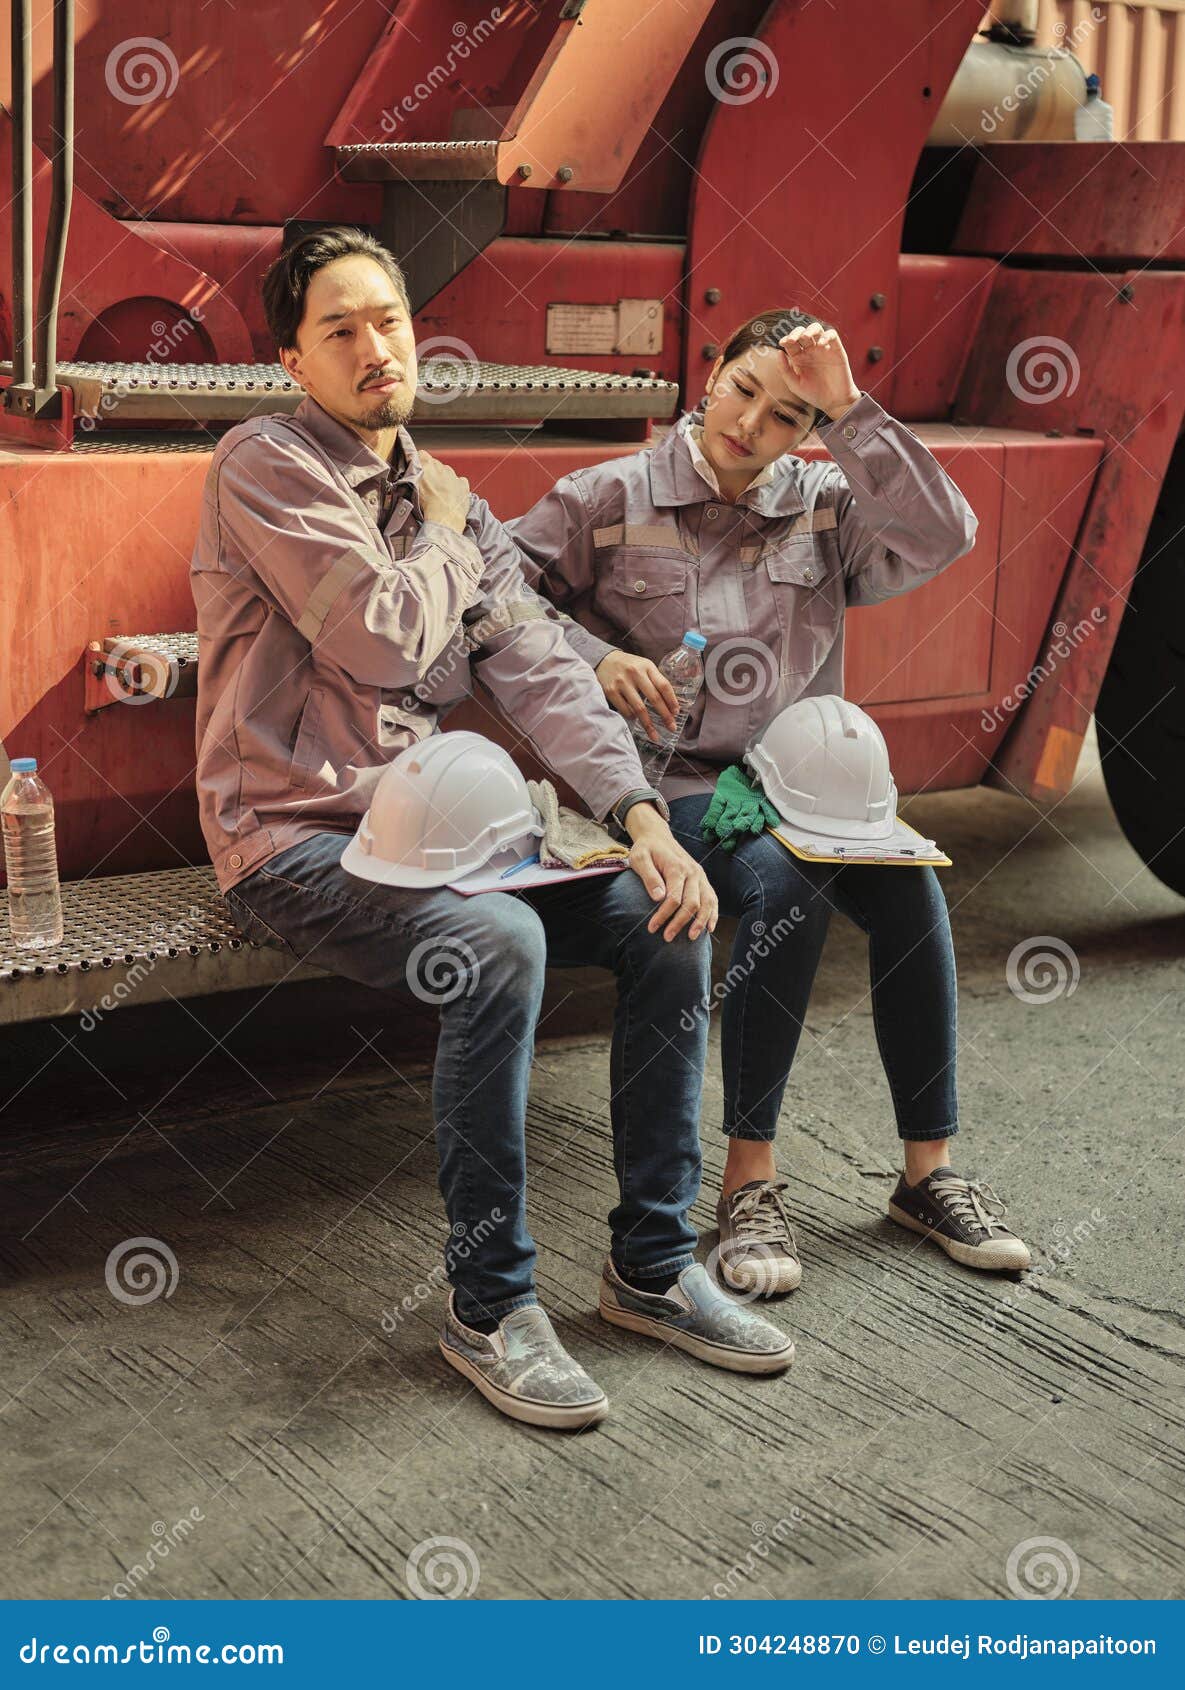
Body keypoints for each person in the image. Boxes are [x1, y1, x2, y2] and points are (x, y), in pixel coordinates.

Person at [189, 227, 793, 1431]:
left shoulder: (439, 491)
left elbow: (541, 675)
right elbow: (379, 637)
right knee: (499, 949)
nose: (376, 348)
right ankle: (488, 1305)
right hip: (293, 835)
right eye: (341, 329)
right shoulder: (263, 466)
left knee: (662, 917)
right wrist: (462, 539)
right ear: (290, 360)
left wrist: (637, 820)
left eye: (392, 319)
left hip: (444, 828)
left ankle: (652, 1265)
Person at [508, 307, 1031, 1294]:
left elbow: (944, 531)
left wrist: (853, 409)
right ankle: (749, 1183)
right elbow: (495, 588)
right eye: (743, 389)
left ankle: (929, 1171)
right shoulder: (608, 494)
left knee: (912, 893)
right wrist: (597, 655)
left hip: (806, 781)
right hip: (676, 784)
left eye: (789, 415)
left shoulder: (830, 506)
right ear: (709, 374)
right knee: (784, 884)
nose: (752, 424)